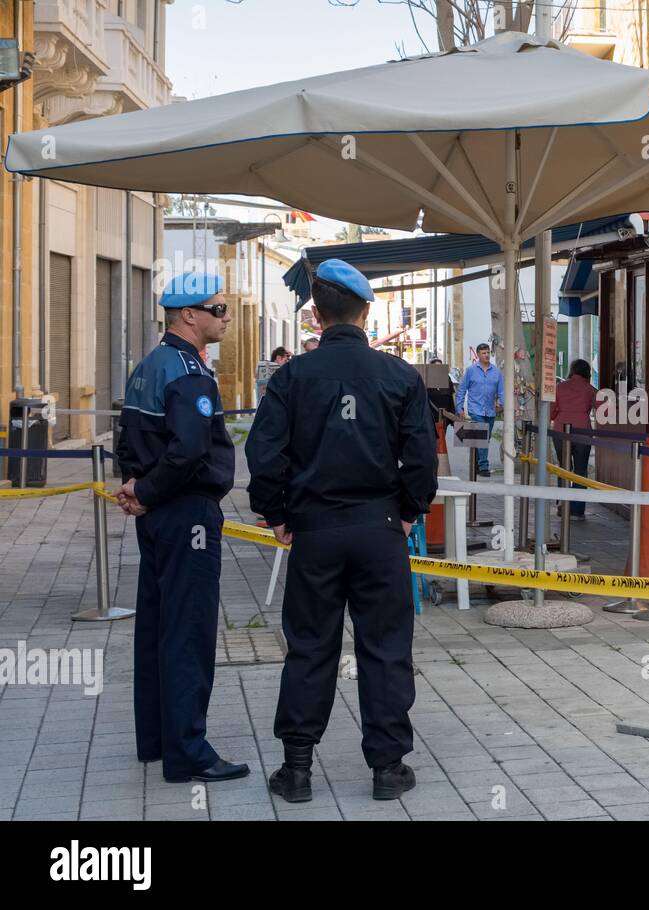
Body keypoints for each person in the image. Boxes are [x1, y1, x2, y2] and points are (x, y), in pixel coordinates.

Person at [245, 259, 438, 803]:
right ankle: (387, 767)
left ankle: (298, 768)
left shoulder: (291, 378)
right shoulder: (400, 377)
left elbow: (264, 454)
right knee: (385, 646)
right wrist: (408, 511)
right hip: (379, 529)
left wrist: (276, 512)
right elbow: (421, 458)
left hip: (317, 531)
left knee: (309, 646)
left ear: (316, 315)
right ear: (367, 311)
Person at [114, 272, 248, 785]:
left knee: (155, 624)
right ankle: (189, 752)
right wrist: (144, 493)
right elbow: (190, 450)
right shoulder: (189, 370)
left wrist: (135, 487)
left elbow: (129, 437)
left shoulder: (149, 365)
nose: (225, 317)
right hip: (186, 513)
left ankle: (156, 739)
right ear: (188, 315)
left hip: (157, 516)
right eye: (218, 309)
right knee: (188, 630)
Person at [550, 359, 597, 520]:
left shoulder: (559, 387)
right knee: (580, 470)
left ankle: (562, 506)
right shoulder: (590, 389)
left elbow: (552, 411)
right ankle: (577, 511)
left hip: (560, 430)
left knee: (563, 467)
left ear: (572, 370)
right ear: (587, 372)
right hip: (583, 431)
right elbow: (604, 408)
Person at [455, 342, 505, 475]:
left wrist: (502, 404)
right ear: (478, 355)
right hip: (475, 410)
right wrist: (459, 408)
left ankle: (476, 461)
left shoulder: (496, 372)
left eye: (488, 352)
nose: (487, 355)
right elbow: (462, 390)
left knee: (484, 439)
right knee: (482, 438)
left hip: (490, 410)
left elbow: (501, 392)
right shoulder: (471, 371)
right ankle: (483, 467)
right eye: (484, 353)